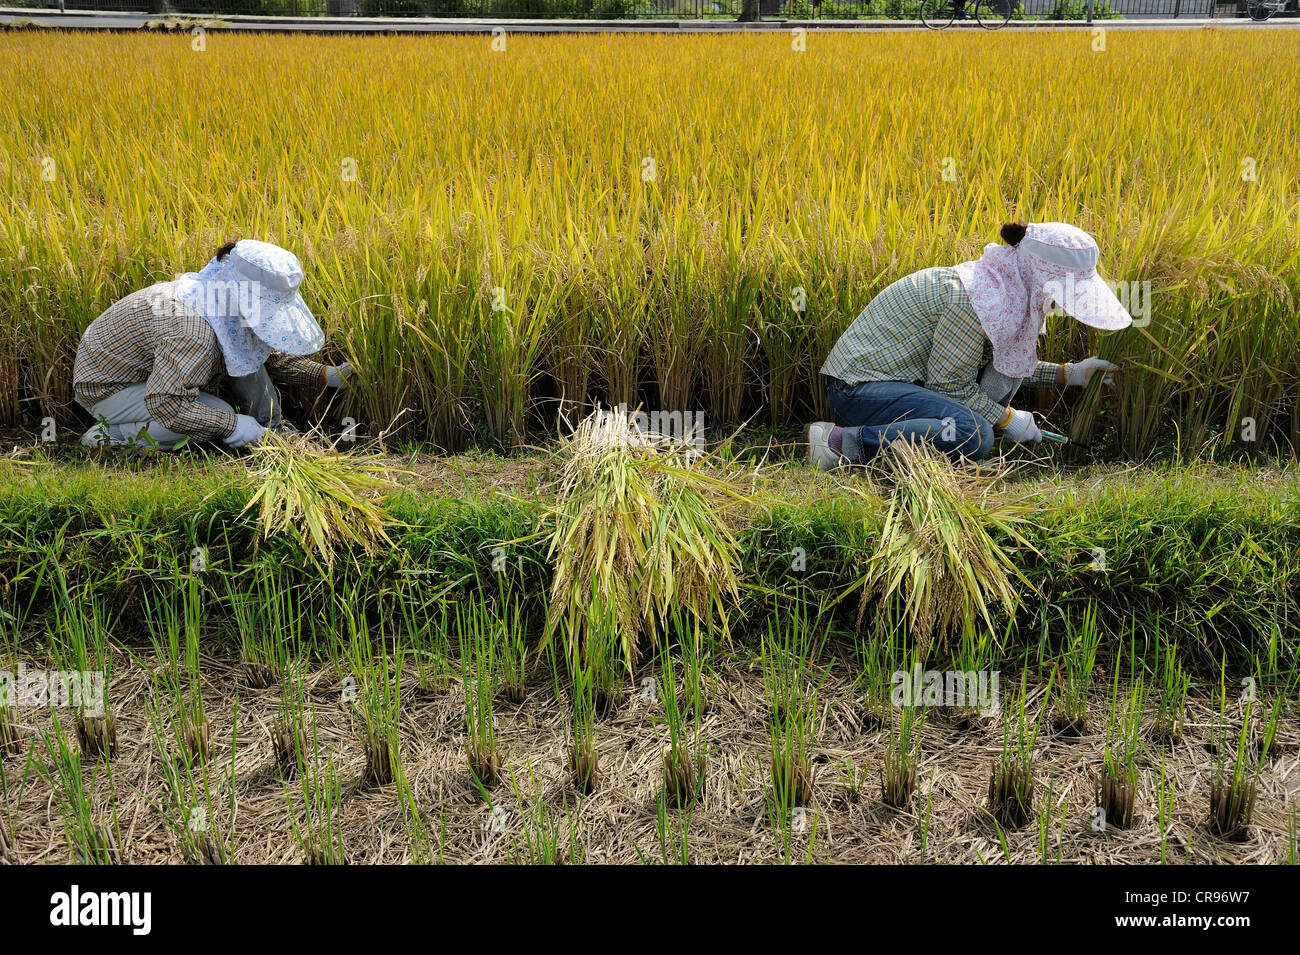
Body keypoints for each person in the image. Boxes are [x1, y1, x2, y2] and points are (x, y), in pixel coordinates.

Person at [806, 221, 1132, 468]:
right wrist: (1006, 418)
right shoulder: (973, 299)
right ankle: (838, 443)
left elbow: (1000, 362)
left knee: (974, 426)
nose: (1059, 305)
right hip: (858, 389)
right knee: (973, 432)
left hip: (894, 385)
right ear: (1040, 277)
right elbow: (949, 384)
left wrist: (1070, 374)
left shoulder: (997, 291)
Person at [72, 239, 353, 451]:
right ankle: (109, 436)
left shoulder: (219, 303)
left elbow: (265, 358)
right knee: (210, 420)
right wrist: (232, 426)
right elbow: (166, 403)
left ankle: (270, 432)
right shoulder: (191, 329)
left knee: (240, 373)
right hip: (106, 387)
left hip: (148, 381)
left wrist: (330, 376)